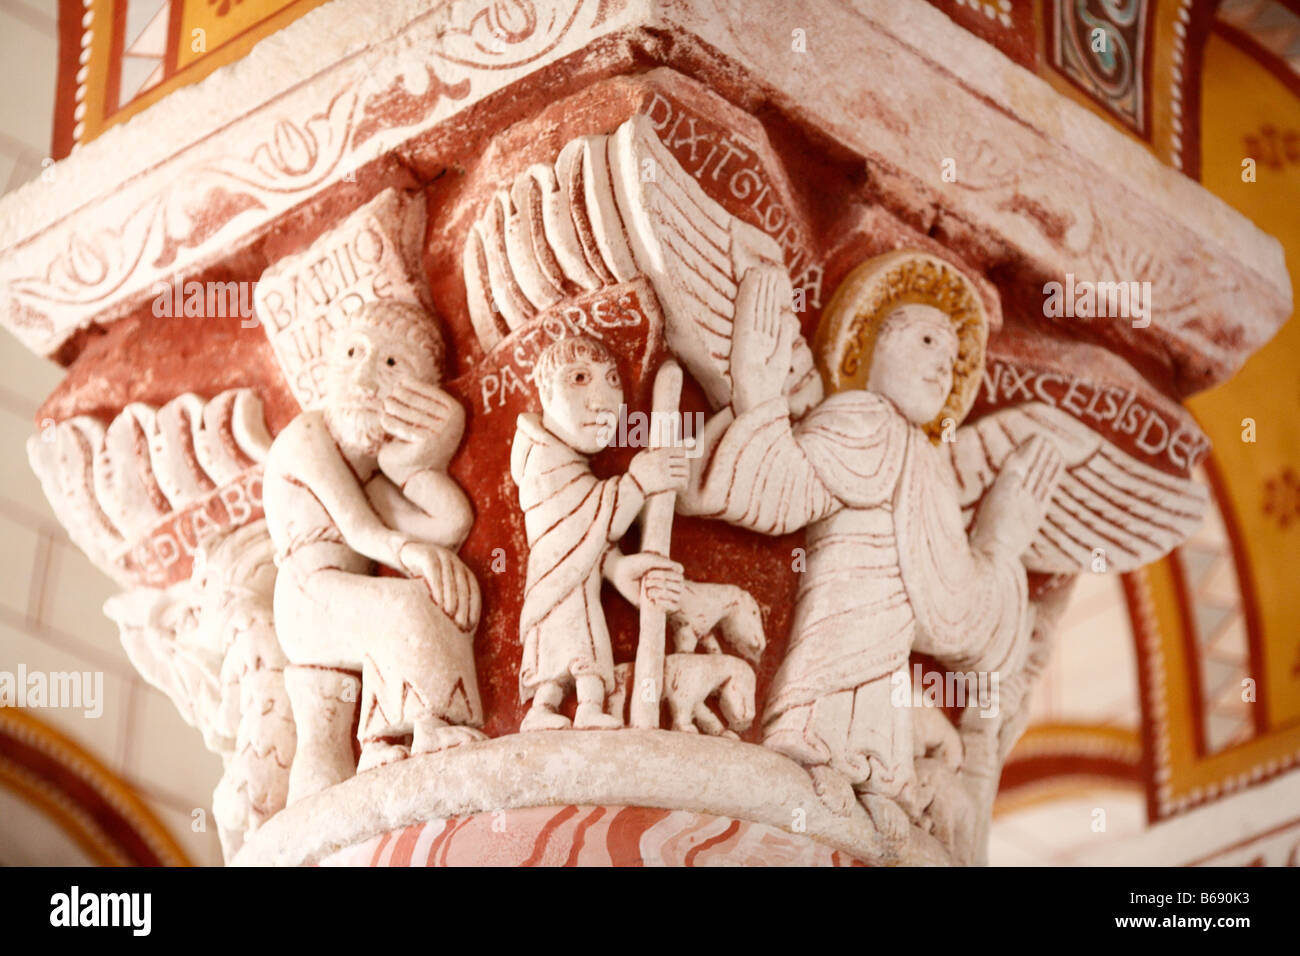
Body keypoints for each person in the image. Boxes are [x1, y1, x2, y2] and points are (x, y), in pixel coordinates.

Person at [679, 266, 1061, 843]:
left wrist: (1002, 538)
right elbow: (781, 492)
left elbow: (952, 616)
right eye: (928, 340)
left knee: (879, 786)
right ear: (866, 344)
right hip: (831, 648)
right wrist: (756, 389)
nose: (943, 365)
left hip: (888, 672)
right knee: (813, 765)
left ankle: (873, 794)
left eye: (955, 359)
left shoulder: (931, 469)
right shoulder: (856, 416)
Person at [263, 300, 484, 800]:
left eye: (391, 364)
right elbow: (361, 530)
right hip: (306, 596)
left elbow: (450, 523)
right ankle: (425, 726)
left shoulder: (372, 474)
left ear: (416, 394)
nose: (364, 373)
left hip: (332, 597)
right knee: (405, 605)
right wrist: (415, 556)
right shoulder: (306, 436)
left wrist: (424, 456)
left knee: (322, 750)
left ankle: (381, 746)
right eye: (351, 352)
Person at [512, 335, 687, 731]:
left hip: (571, 584)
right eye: (578, 378)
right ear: (542, 390)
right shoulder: (540, 460)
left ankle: (571, 709)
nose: (602, 401)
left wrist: (618, 569)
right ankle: (566, 709)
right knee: (578, 646)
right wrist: (638, 482)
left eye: (612, 380)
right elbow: (582, 518)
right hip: (557, 590)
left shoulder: (564, 460)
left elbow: (579, 537)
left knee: (575, 648)